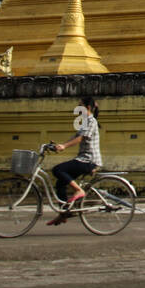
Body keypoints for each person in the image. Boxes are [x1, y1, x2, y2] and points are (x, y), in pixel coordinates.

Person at [48, 96, 102, 226]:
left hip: (89, 160)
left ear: (87, 108)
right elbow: (75, 136)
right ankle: (64, 213)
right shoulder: (85, 122)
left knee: (58, 170)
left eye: (80, 106)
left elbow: (81, 138)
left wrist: (65, 146)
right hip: (83, 159)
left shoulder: (91, 121)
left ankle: (79, 190)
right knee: (60, 183)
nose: (78, 108)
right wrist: (59, 146)